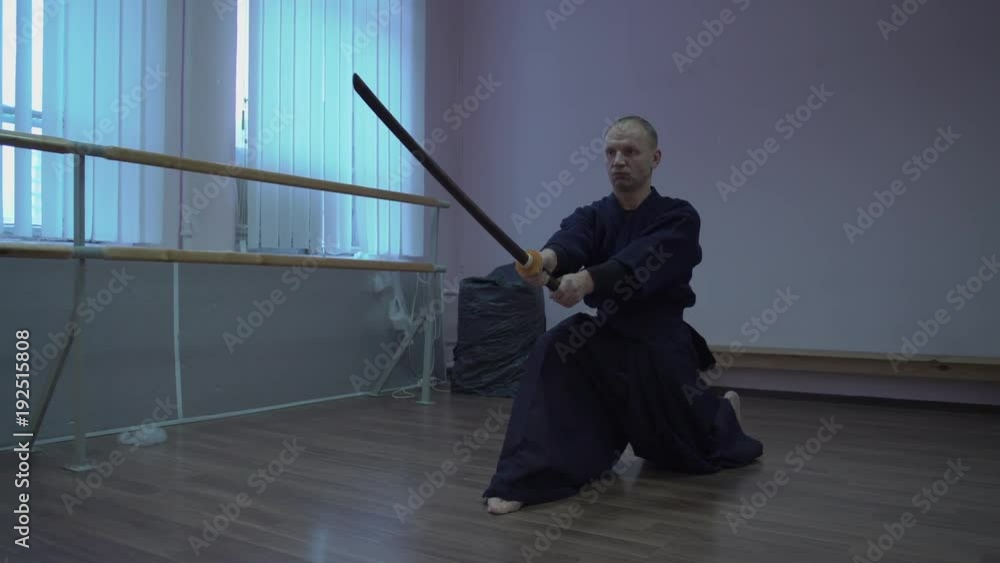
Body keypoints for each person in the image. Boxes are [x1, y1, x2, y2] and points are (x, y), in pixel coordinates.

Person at [483, 115, 764, 515]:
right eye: (611, 152)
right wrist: (542, 259)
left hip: (660, 344)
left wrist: (585, 282)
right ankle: (525, 478)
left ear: (655, 158)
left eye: (630, 151)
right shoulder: (594, 214)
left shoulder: (680, 217)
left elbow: (644, 258)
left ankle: (722, 414)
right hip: (607, 334)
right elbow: (571, 241)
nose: (619, 160)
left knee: (686, 455)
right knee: (556, 347)